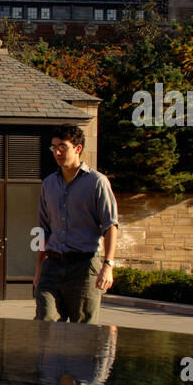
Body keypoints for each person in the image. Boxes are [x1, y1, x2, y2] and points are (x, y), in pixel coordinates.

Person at [33, 125, 119, 323]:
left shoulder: (97, 182)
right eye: (53, 147)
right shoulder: (48, 184)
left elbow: (110, 226)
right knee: (45, 322)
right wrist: (38, 269)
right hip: (52, 266)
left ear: (78, 148)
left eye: (62, 146)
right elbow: (42, 229)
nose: (57, 152)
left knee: (82, 331)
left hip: (84, 267)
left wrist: (108, 265)